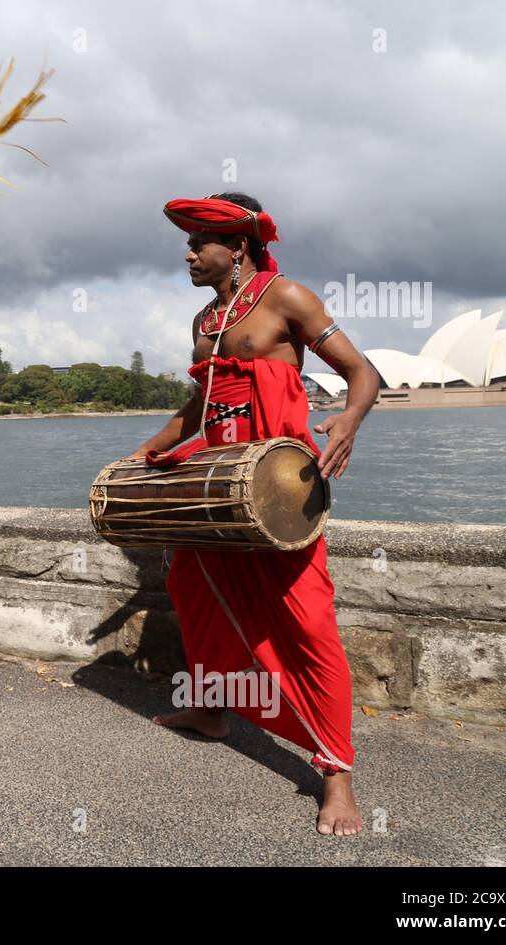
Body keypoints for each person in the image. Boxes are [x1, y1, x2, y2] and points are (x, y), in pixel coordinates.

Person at [132, 193, 380, 836]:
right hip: (218, 486)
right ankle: (213, 708)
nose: (187, 253)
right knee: (194, 587)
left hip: (276, 486)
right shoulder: (204, 320)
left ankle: (336, 775)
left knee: (306, 618)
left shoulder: (287, 298)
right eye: (186, 243)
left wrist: (348, 423)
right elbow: (199, 404)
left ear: (236, 246)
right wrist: (145, 454)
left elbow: (363, 373)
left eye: (199, 242)